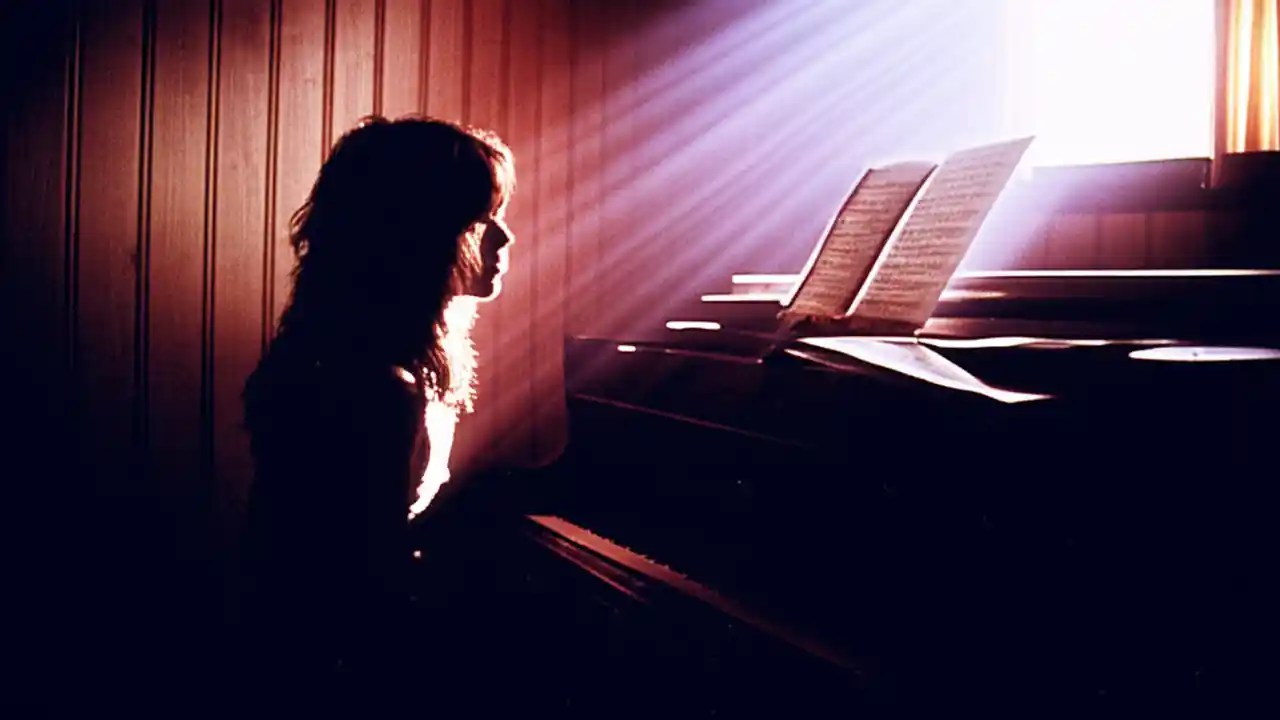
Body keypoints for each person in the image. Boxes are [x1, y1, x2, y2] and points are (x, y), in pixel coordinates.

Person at [236, 115, 515, 695]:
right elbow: (365, 580)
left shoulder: (366, 347)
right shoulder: (376, 384)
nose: (504, 237)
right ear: (420, 235)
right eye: (482, 219)